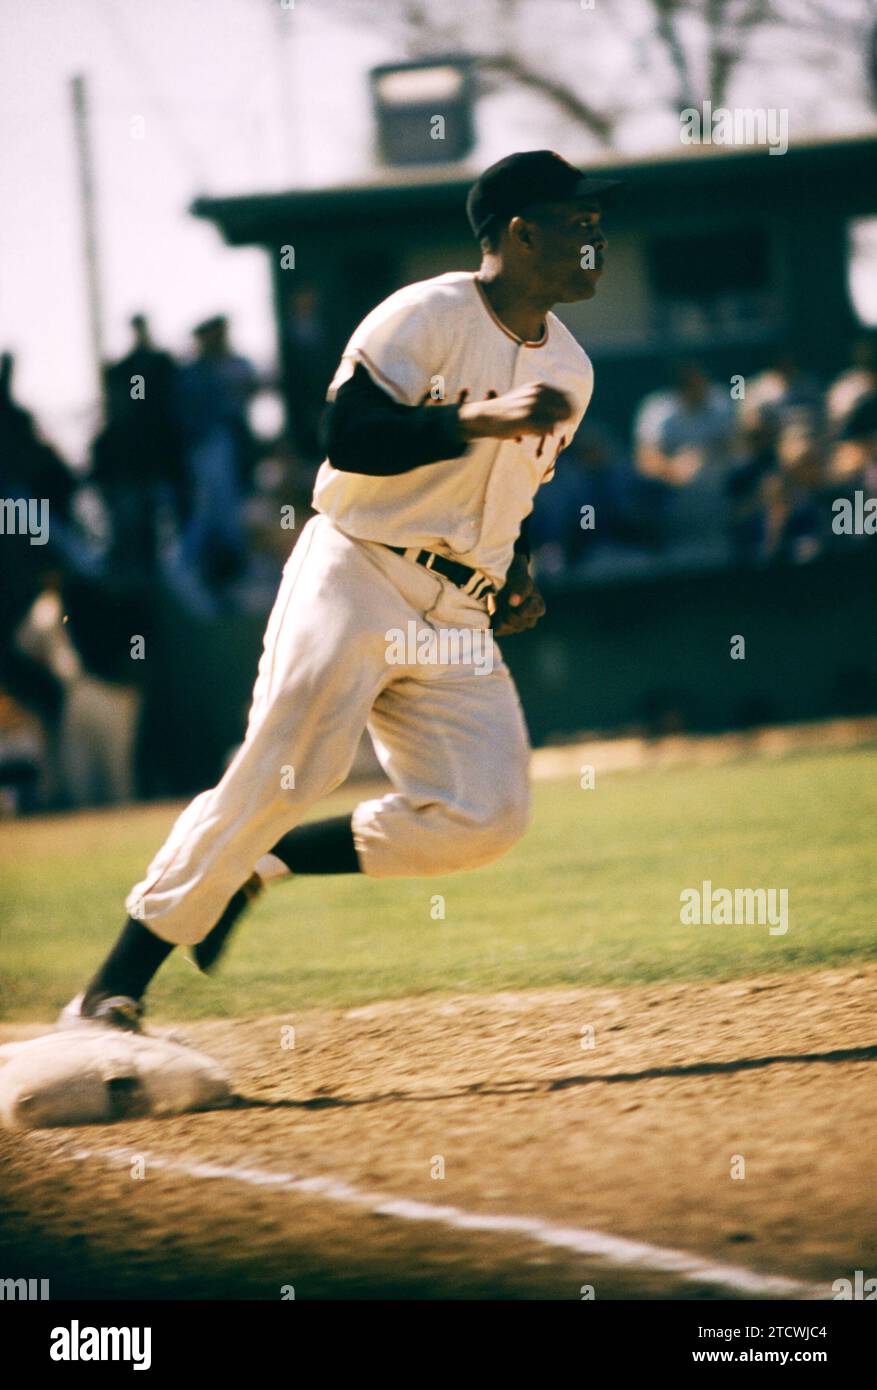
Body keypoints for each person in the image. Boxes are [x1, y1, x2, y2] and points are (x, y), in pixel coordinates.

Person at [60, 150, 622, 1030]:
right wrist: (479, 418)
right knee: (290, 766)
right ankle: (116, 980)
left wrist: (515, 575)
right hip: (358, 566)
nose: (595, 236)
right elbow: (348, 432)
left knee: (486, 815)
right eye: (576, 222)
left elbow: (512, 493)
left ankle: (264, 860)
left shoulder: (575, 371)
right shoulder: (429, 310)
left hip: (455, 612)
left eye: (596, 223)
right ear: (518, 232)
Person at [633, 361, 736, 569]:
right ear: (679, 388)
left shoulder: (721, 400)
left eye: (701, 381)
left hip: (718, 494)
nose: (698, 387)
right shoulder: (657, 409)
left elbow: (736, 445)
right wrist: (674, 469)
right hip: (671, 496)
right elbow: (645, 459)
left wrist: (702, 457)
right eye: (689, 383)